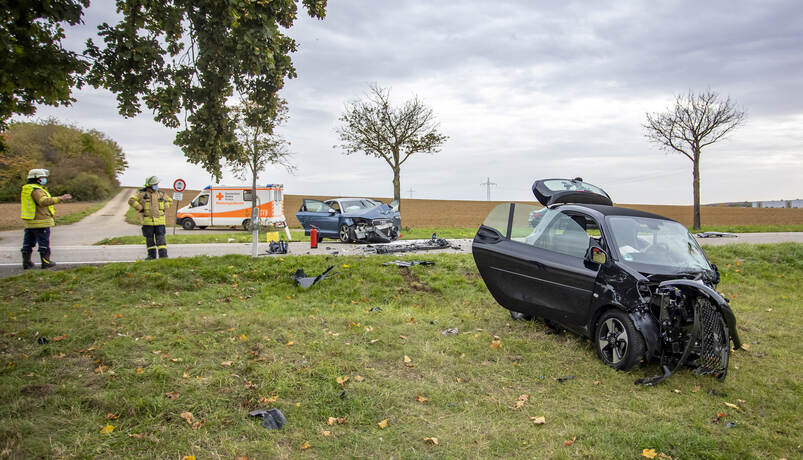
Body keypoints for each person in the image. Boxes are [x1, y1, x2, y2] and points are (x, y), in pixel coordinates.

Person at [20, 169, 72, 269]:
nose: (44, 179)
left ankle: (26, 262)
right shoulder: (36, 190)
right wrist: (60, 198)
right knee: (43, 243)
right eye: (43, 178)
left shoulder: (27, 189)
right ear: (37, 179)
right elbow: (43, 201)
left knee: (28, 243)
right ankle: (45, 262)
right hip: (40, 221)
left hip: (30, 222)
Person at [128, 176, 172, 259]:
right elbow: (131, 200)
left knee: (161, 241)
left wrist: (164, 207)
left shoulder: (161, 194)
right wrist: (139, 207)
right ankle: (151, 256)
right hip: (148, 222)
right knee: (150, 241)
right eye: (155, 184)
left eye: (157, 184)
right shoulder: (142, 194)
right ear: (150, 185)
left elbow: (170, 201)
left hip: (160, 222)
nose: (157, 186)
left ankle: (163, 256)